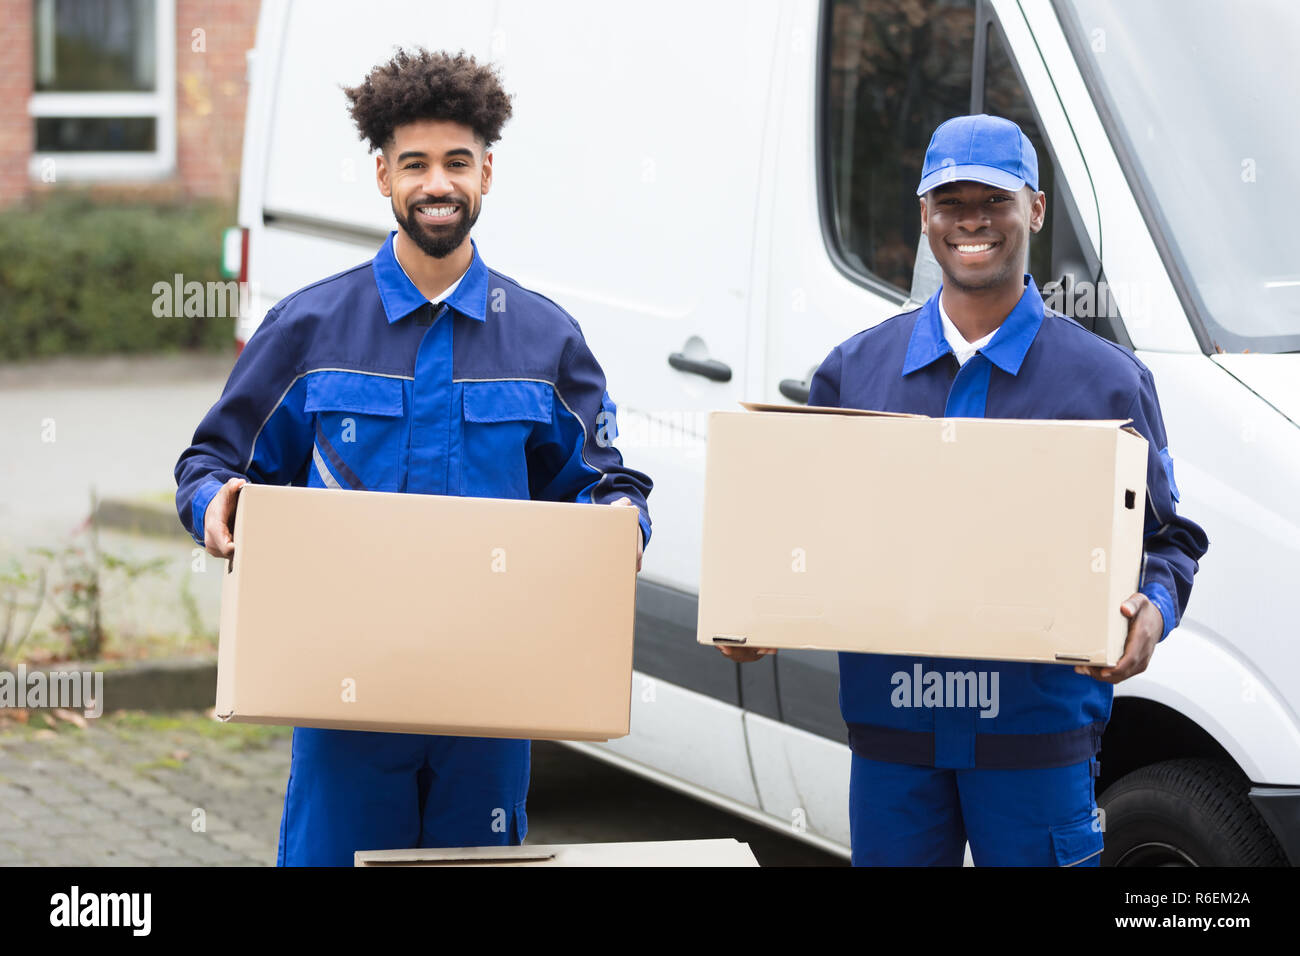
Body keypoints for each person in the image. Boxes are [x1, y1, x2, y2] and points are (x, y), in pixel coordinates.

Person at [174, 48, 652, 867]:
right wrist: (216, 504)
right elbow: (214, 459)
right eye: (416, 163)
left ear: (488, 174)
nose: (439, 183)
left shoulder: (544, 338)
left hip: (492, 699)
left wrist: (619, 524)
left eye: (457, 163)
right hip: (344, 695)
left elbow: (605, 483)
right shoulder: (309, 327)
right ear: (382, 175)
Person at [721, 114, 1208, 866]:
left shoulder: (1106, 381)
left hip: (1036, 740)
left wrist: (1154, 611)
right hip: (895, 738)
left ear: (1036, 209)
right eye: (950, 203)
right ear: (924, 216)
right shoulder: (855, 373)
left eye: (994, 200)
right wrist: (754, 616)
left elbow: (1168, 539)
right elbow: (802, 537)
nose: (971, 220)